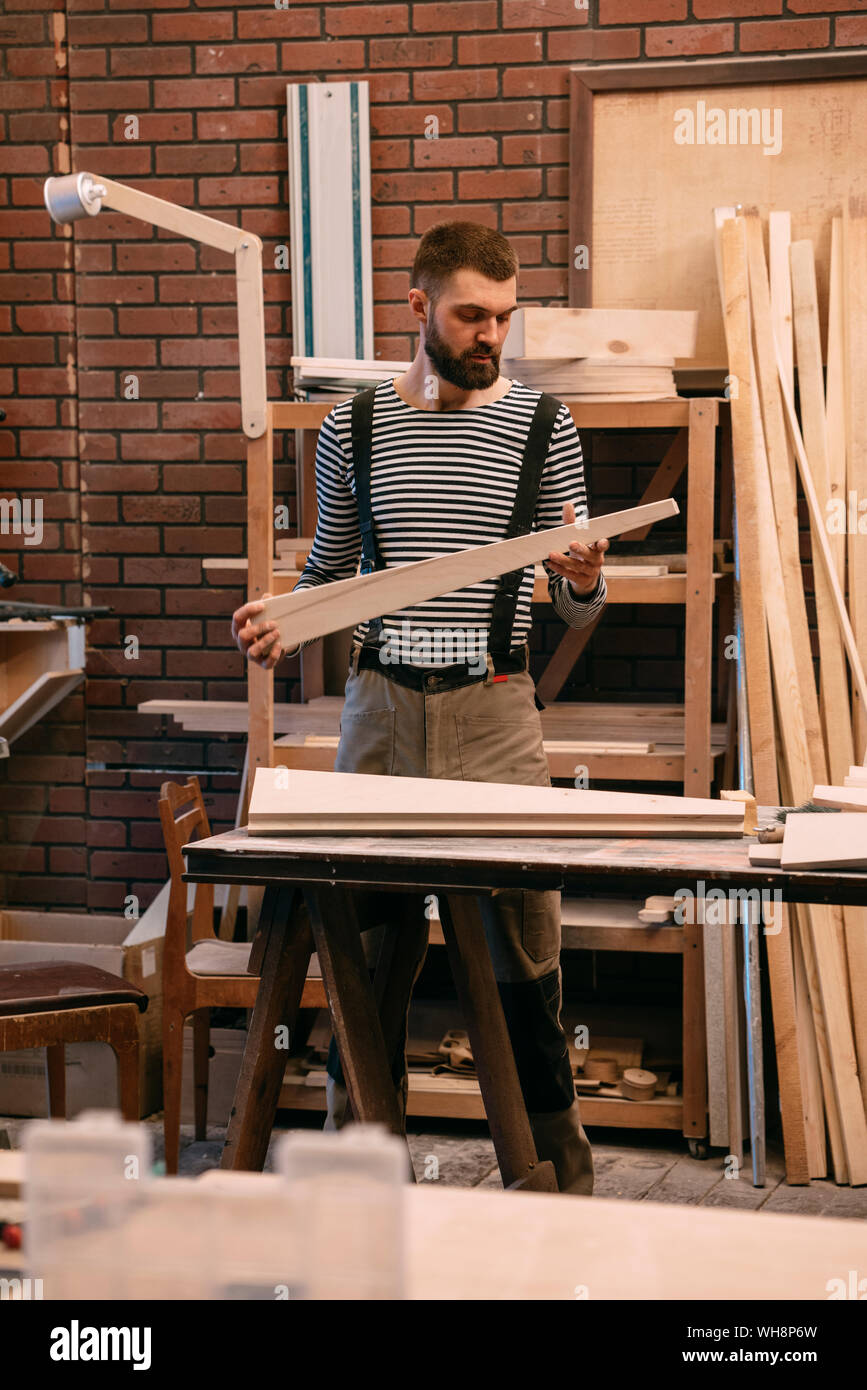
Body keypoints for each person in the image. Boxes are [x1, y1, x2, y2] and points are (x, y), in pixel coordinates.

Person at [232, 221, 608, 1195]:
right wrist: (284, 616)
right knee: (361, 953)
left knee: (527, 956)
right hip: (382, 709)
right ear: (418, 309)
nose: (492, 335)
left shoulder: (542, 427)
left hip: (494, 711)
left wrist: (584, 579)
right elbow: (329, 574)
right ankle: (355, 1183)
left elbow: (574, 604)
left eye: (504, 317)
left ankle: (561, 1183)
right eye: (471, 314)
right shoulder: (352, 427)